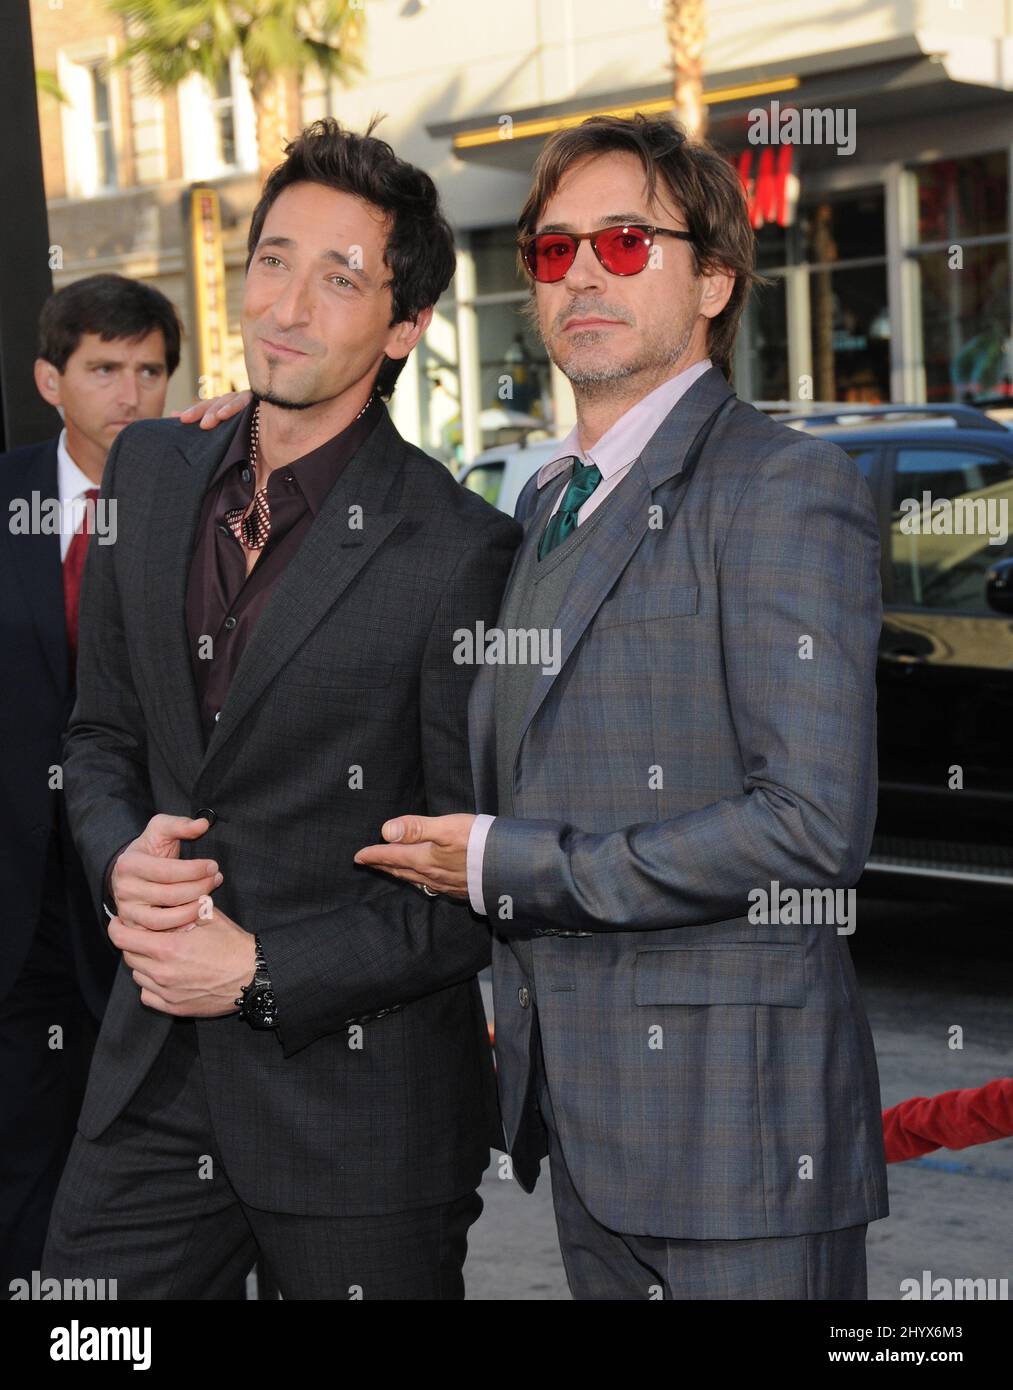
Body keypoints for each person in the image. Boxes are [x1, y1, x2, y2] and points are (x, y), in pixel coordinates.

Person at [353, 114, 890, 1300]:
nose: (582, 271)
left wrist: (513, 863)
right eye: (551, 250)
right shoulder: (545, 495)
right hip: (580, 1125)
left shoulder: (780, 486)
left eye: (625, 240)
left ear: (711, 278)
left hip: (739, 1139)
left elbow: (808, 826)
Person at [41, 118, 519, 1300]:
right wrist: (121, 861)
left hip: (359, 1120)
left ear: (404, 327)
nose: (286, 305)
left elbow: (470, 883)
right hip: (151, 1088)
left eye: (339, 277)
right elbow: (101, 736)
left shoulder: (458, 551)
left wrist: (255, 968)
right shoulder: (148, 473)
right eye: (271, 259)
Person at [0, 274, 181, 1297]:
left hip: (151, 898)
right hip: (20, 906)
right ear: (49, 379)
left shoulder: (205, 503)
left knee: (152, 1166)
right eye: (105, 369)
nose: (131, 394)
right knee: (26, 1157)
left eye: (149, 370)